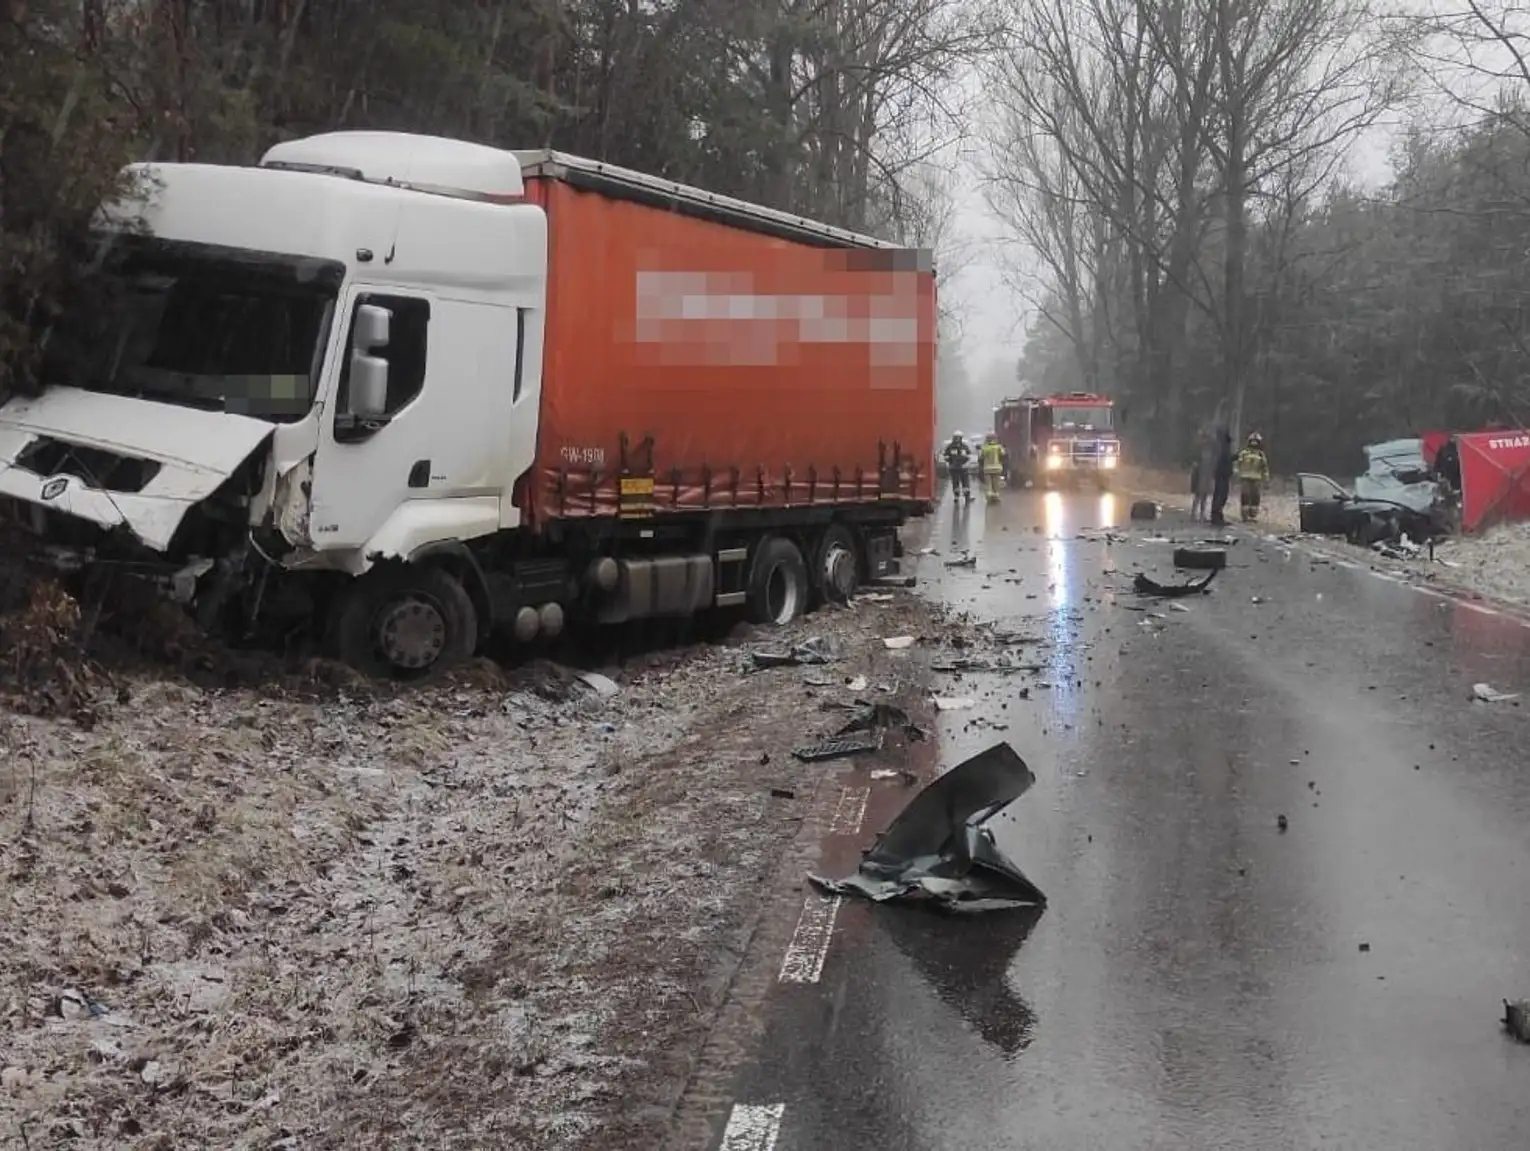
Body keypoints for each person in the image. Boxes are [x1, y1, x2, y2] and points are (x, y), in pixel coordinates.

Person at [1236, 431, 1270, 522]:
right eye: (1252, 441)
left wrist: (1266, 478)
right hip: (1245, 477)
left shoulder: (1261, 454)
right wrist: (1236, 472)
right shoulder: (1244, 453)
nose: (1254, 443)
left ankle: (1253, 514)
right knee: (1245, 495)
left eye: (1256, 441)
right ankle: (1244, 515)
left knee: (1255, 496)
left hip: (1257, 478)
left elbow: (1265, 467)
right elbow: (1237, 463)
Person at [1209, 429, 1234, 526]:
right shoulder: (1223, 448)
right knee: (1221, 496)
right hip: (1222, 475)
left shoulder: (1220, 447)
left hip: (1221, 474)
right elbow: (1224, 461)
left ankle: (1217, 516)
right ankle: (1216, 517)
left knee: (1219, 496)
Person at [944, 433, 973, 501]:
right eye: (956, 438)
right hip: (955, 468)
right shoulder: (950, 447)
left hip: (963, 467)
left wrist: (967, 463)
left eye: (958, 438)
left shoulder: (964, 446)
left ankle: (966, 496)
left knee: (964, 482)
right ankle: (957, 496)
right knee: (955, 482)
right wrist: (949, 462)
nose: (957, 439)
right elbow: (945, 456)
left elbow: (969, 455)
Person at [979, 433, 1006, 501]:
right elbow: (1003, 455)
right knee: (996, 483)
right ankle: (996, 495)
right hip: (997, 468)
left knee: (988, 483)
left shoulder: (984, 448)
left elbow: (981, 458)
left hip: (987, 468)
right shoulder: (999, 447)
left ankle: (989, 494)